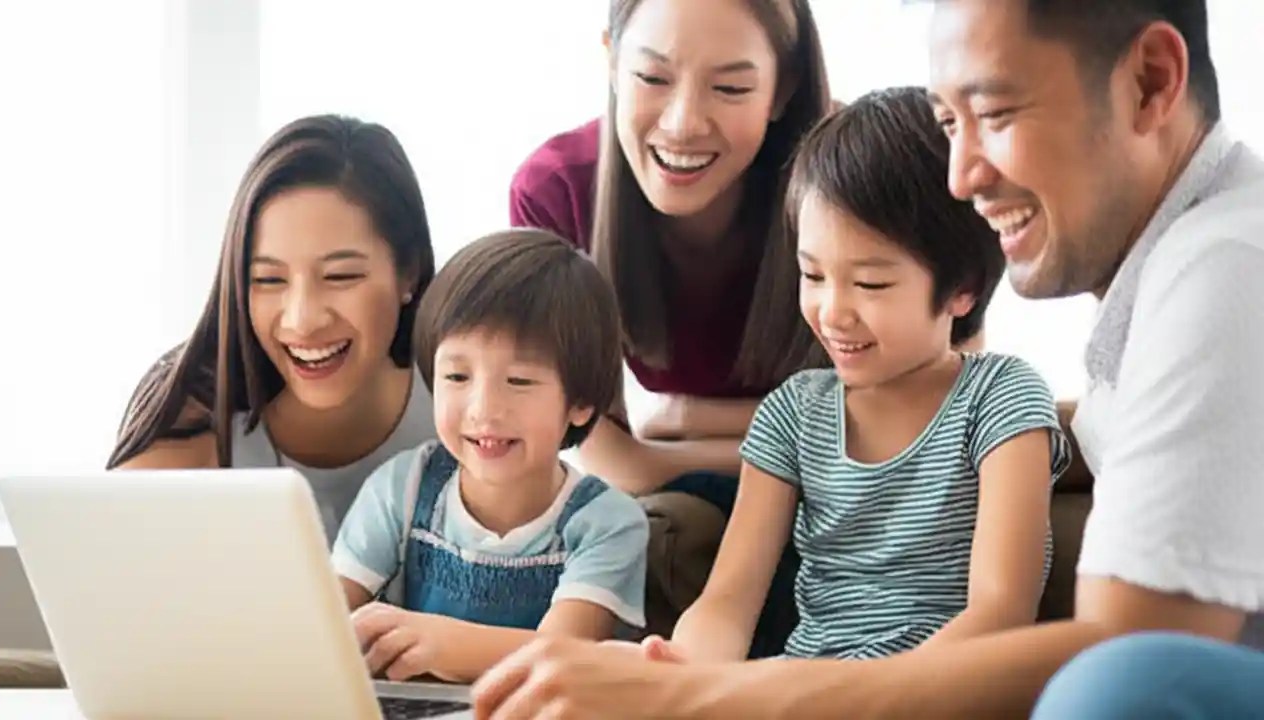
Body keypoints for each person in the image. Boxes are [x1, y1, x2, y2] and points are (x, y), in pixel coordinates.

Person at [470, 1, 1264, 717]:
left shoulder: (1224, 269)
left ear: (1151, 82)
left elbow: (1129, 660)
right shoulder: (1181, 273)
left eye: (993, 112)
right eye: (950, 124)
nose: (962, 179)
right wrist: (672, 668)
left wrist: (702, 695)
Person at [640, 87, 1068, 666]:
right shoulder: (794, 414)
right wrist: (686, 669)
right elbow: (727, 603)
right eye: (812, 275)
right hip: (804, 690)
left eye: (870, 284)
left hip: (944, 693)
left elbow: (999, 612)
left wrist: (846, 696)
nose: (832, 311)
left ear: (962, 287)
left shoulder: (1001, 398)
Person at [509, 0, 833, 654]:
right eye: (652, 79)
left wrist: (687, 422)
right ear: (611, 60)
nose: (684, 124)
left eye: (731, 87)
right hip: (744, 478)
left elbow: (916, 418)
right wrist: (730, 434)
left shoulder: (851, 178)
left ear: (784, 87)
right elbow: (609, 453)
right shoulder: (557, 191)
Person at [332, 229, 648, 683]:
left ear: (580, 401)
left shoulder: (608, 523)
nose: (483, 409)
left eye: (519, 381)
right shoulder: (402, 486)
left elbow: (562, 655)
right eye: (457, 376)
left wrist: (436, 641)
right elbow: (325, 618)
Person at [109, 114, 437, 545]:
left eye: (340, 277)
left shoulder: (466, 391)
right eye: (268, 280)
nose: (302, 319)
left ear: (408, 273)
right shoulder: (195, 404)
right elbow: (115, 579)